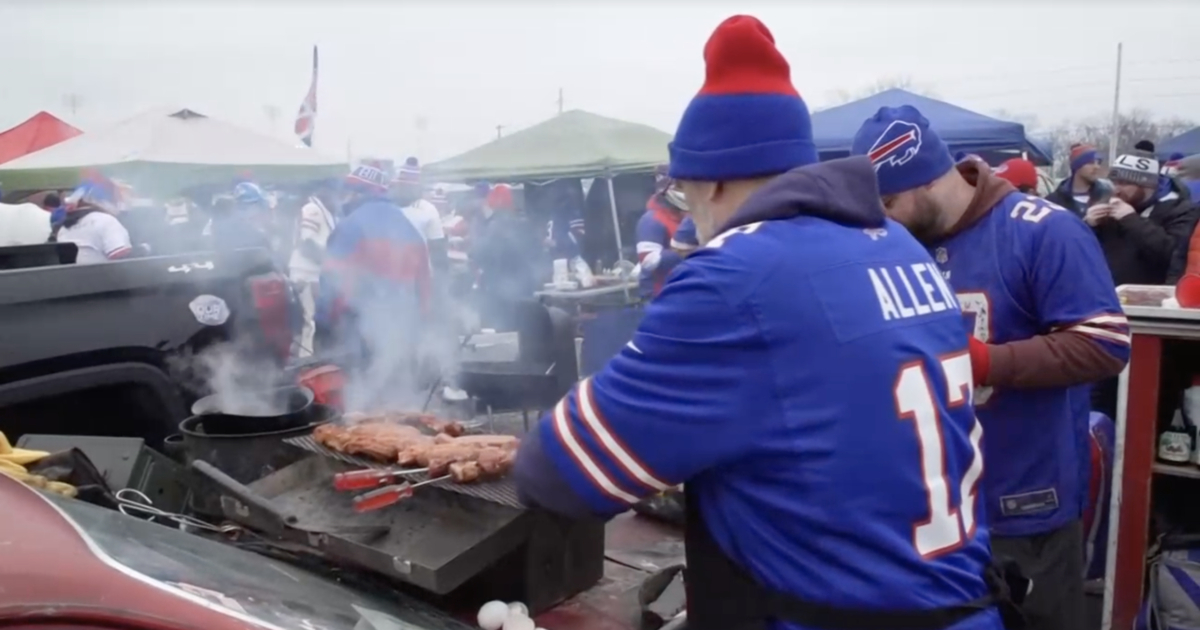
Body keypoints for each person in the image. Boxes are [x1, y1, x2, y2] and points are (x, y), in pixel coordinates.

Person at [516, 16, 1007, 630]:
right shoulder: (898, 245)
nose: (693, 220)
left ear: (713, 181)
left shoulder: (739, 274)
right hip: (961, 602)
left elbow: (559, 475)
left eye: (689, 198)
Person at [851, 105, 1130, 630]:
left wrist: (984, 361)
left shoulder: (1042, 232)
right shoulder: (894, 246)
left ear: (927, 180)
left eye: (889, 201)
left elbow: (1106, 344)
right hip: (931, 510)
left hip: (1025, 503)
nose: (883, 218)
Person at [316, 163, 432, 408]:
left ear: (358, 193)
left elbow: (335, 286)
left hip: (358, 335)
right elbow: (424, 288)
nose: (343, 197)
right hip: (401, 333)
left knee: (357, 408)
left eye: (348, 191)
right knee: (396, 406)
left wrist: (324, 326)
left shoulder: (349, 227)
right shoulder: (410, 229)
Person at [1084, 149, 1196, 287]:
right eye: (1114, 182)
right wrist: (1089, 226)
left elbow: (1173, 256)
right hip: (1110, 293)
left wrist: (1131, 219)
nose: (1116, 190)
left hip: (1150, 297)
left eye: (1124, 183)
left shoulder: (1181, 209)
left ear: (1146, 185)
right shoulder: (1109, 201)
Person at [469, 184, 539, 331]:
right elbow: (535, 253)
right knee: (525, 330)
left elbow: (479, 254)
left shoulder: (495, 226)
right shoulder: (523, 222)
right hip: (526, 287)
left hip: (500, 290)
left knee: (506, 332)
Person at [289, 179, 338, 358]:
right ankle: (304, 359)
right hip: (306, 272)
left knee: (312, 319)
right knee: (308, 321)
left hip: (313, 272)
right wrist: (328, 263)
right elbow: (306, 242)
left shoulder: (322, 209)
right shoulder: (313, 209)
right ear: (324, 191)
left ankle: (307, 355)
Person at [634, 168, 689, 298]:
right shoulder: (651, 220)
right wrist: (685, 252)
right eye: (680, 187)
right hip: (661, 295)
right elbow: (648, 260)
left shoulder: (688, 215)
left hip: (685, 290)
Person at [54, 175, 133, 264]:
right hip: (102, 276)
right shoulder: (107, 221)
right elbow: (120, 255)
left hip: (70, 275)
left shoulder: (63, 228)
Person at [1045, 144, 1104, 217]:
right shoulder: (1054, 201)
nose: (1096, 167)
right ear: (1077, 166)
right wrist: (1086, 222)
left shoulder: (1104, 196)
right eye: (1090, 163)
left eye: (1098, 162)